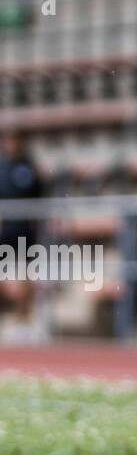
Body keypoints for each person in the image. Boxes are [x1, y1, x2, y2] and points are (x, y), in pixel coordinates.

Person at [0, 130, 44, 335]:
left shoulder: (29, 168)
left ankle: (24, 320)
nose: (11, 144)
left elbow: (41, 197)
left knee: (26, 277)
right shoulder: (1, 168)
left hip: (24, 232)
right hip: (3, 233)